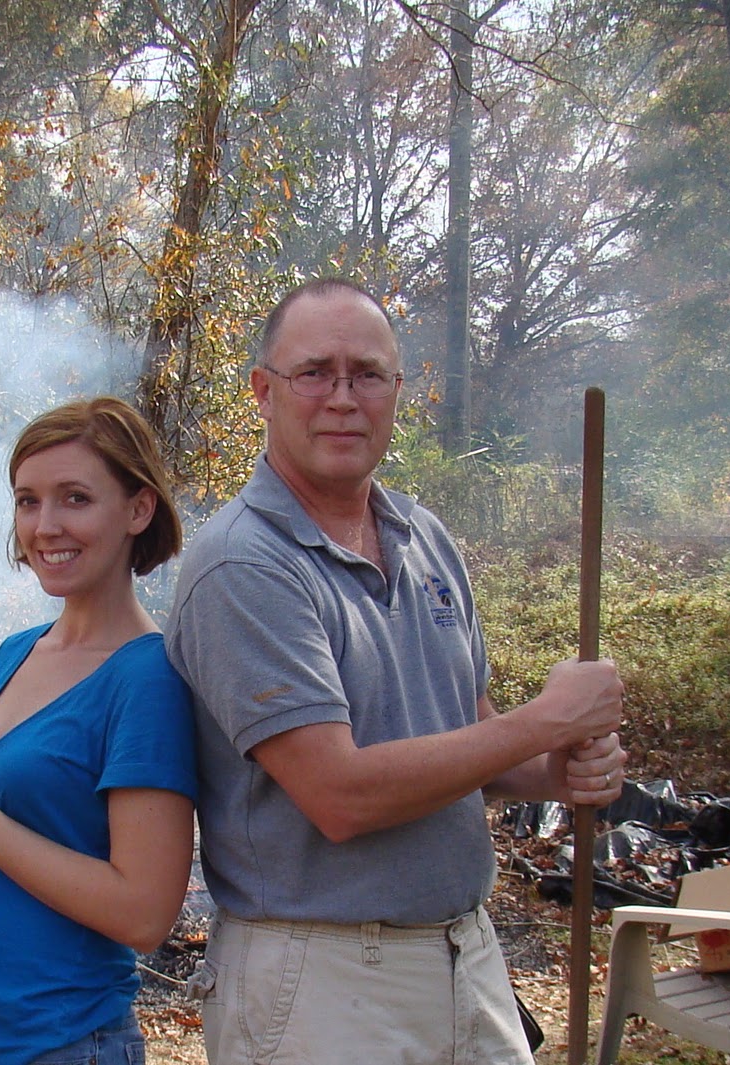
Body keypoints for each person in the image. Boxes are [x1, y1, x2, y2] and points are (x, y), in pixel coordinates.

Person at [164, 278, 628, 1065]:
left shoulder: (423, 537)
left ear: (397, 392)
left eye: (369, 374)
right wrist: (547, 719)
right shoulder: (243, 563)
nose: (344, 398)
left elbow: (472, 736)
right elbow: (339, 795)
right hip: (320, 982)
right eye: (315, 372)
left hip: (465, 957)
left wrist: (556, 768)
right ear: (263, 392)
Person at [0, 396, 198, 1065]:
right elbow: (3, 832)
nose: (45, 525)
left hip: (54, 1040)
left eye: (75, 498)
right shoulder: (16, 650)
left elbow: (144, 913)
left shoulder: (149, 677)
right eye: (28, 501)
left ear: (138, 510)